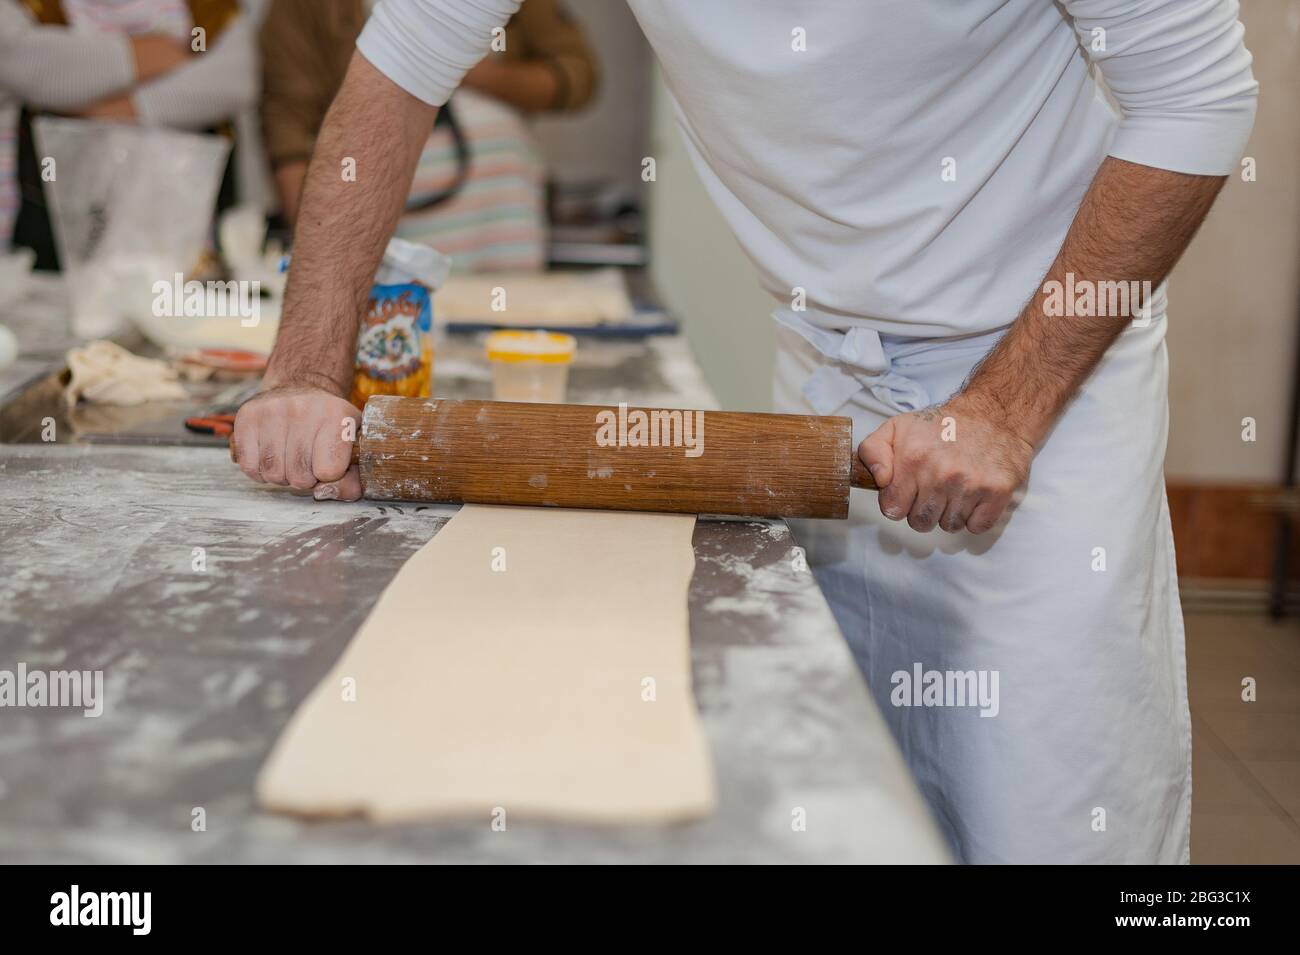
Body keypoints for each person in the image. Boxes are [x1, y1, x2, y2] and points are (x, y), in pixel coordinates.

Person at [231, 0, 1259, 864]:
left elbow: (1196, 97)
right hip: (823, 369)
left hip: (1042, 372)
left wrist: (1005, 406)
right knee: (836, 799)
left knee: (1046, 814)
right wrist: (308, 370)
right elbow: (394, 76)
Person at [259, 0, 597, 271]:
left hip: (503, 219)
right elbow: (288, 126)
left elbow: (578, 74)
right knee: (390, 322)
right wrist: (317, 257)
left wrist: (462, 69)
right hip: (375, 209)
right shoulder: (302, 10)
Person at [6, 0, 255, 267]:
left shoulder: (204, 8)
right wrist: (148, 54)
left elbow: (234, 80)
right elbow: (29, 64)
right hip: (62, 224)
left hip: (182, 220)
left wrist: (113, 107)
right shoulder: (35, 6)